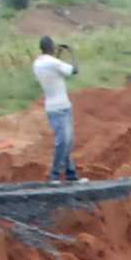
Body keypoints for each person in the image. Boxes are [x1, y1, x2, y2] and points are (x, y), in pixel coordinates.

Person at [30, 36, 79, 183]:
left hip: (53, 107)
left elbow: (55, 69)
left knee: (66, 141)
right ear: (51, 47)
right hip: (61, 107)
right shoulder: (53, 63)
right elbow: (74, 70)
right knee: (63, 142)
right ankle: (55, 174)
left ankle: (71, 174)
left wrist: (57, 55)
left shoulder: (37, 63)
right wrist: (72, 53)